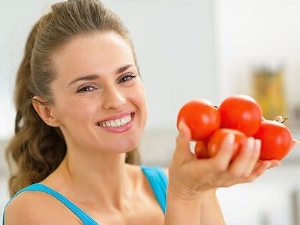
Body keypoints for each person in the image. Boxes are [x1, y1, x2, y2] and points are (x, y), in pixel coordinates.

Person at [2, 0, 298, 224]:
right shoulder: (32, 212)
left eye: (126, 77)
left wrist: (202, 187)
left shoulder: (174, 182)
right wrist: (185, 196)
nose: (116, 100)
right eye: (87, 88)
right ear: (47, 112)